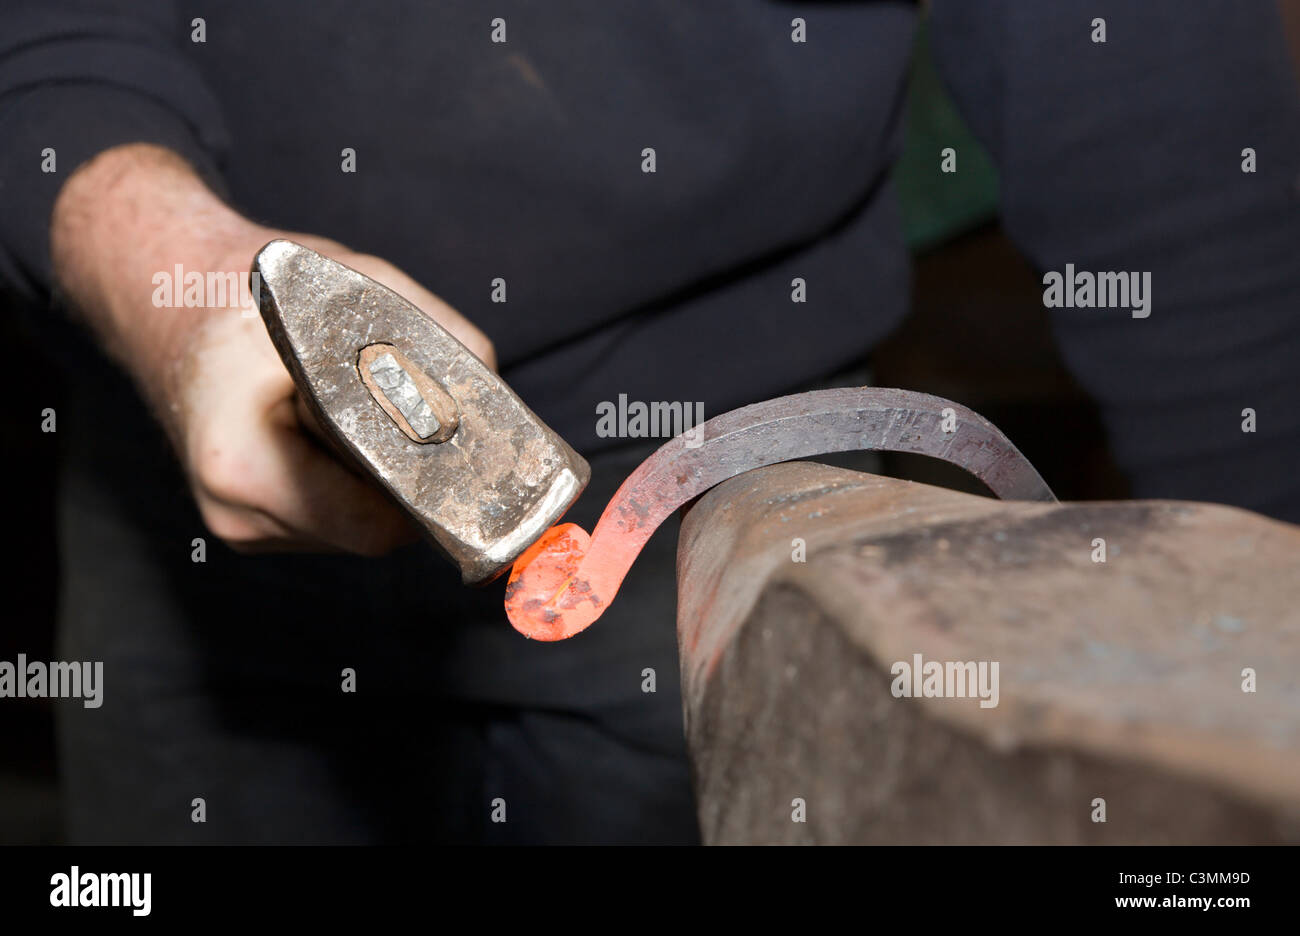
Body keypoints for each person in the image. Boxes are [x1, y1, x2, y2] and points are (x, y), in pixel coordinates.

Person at [0, 1, 1295, 843]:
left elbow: (1166, 138)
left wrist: (1259, 673)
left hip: (737, 512)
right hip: (186, 474)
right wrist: (163, 271)